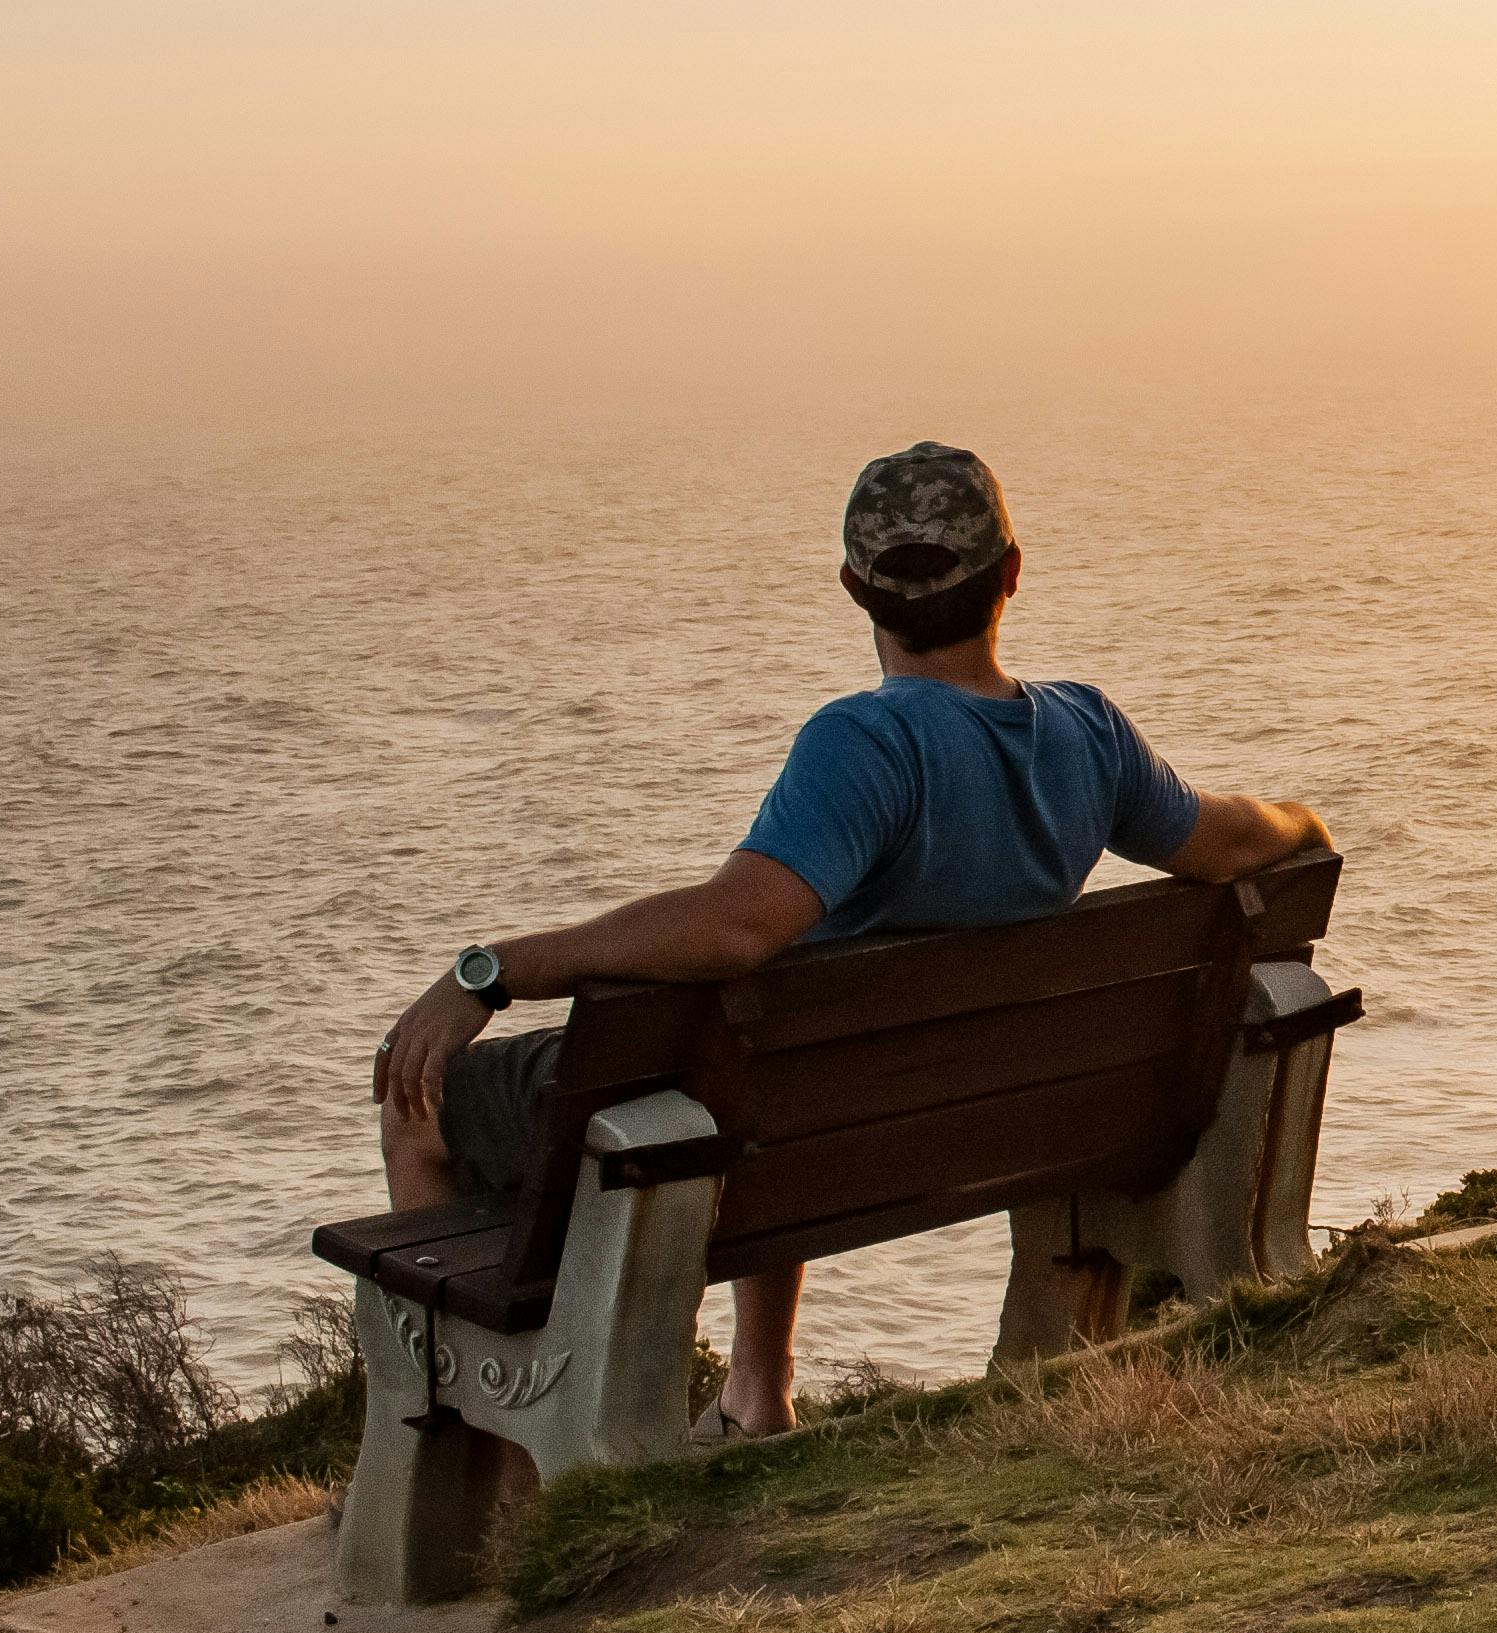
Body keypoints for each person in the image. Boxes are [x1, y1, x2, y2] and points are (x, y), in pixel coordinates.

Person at [367, 441, 1329, 1436]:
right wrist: (1306, 827)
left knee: (421, 1100)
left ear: (854, 588)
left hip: (794, 1127)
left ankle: (457, 1449)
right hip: (977, 1121)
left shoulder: (866, 745)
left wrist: (490, 972)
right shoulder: (1090, 736)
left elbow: (738, 928)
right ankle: (755, 1384)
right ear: (1011, 574)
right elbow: (1225, 843)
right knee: (765, 1062)